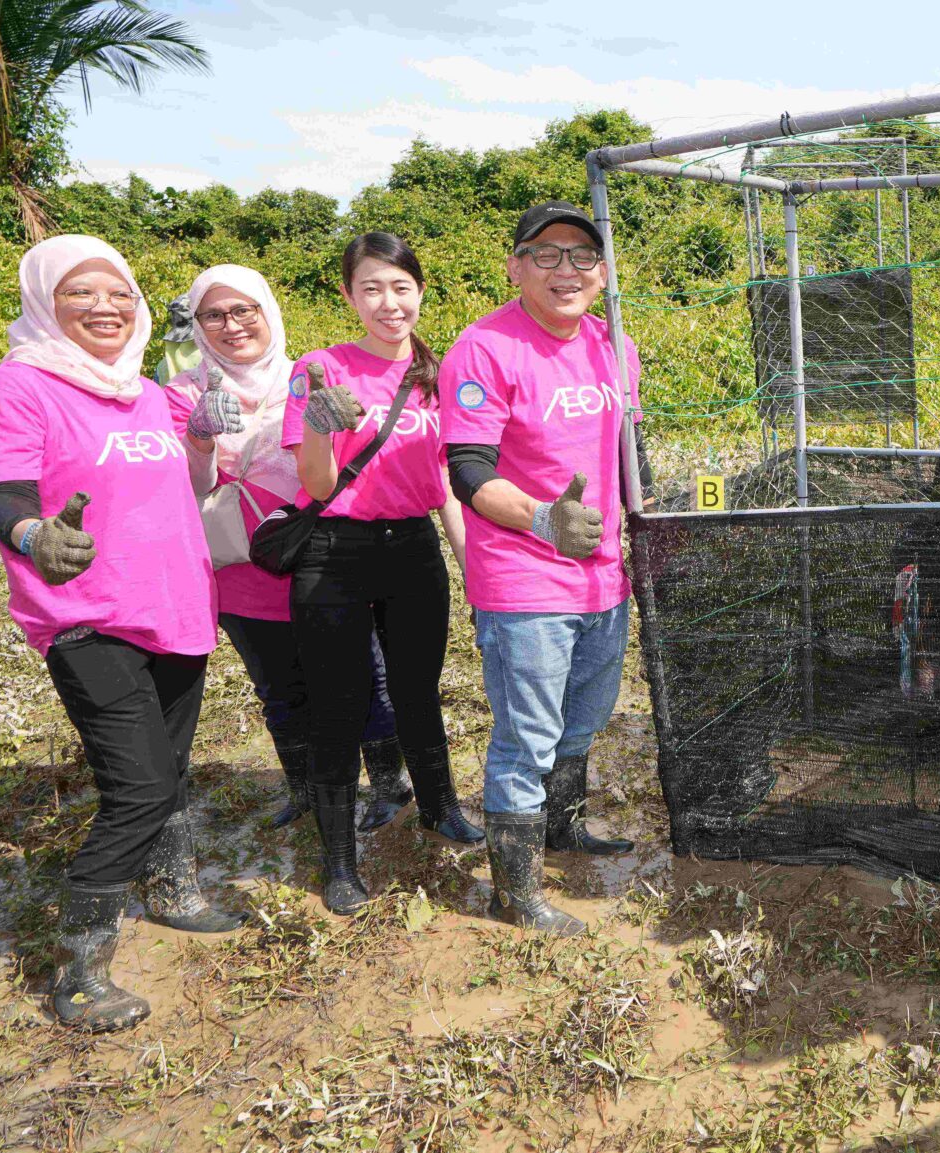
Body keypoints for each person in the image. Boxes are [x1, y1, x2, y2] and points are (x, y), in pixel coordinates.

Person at [0, 235, 239, 1033]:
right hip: (87, 618)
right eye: (81, 293)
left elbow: (194, 481)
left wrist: (203, 435)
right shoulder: (17, 390)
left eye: (117, 292)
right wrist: (29, 534)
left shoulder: (149, 393)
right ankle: (80, 965)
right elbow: (3, 489)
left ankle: (176, 890)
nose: (105, 307)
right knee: (139, 785)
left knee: (171, 763)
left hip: (177, 607)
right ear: (47, 302)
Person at [441, 202, 640, 937]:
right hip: (525, 579)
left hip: (604, 577)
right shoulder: (485, 348)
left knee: (582, 720)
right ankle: (516, 893)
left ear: (604, 271)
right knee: (526, 736)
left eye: (582, 256)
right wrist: (545, 519)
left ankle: (565, 830)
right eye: (546, 255)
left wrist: (647, 523)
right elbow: (468, 471)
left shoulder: (615, 344)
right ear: (515, 266)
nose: (567, 270)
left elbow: (629, 455)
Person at [161, 265, 414, 834]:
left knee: (364, 673)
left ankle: (390, 784)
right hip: (239, 560)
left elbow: (350, 460)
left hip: (322, 552)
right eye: (215, 315)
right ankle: (303, 788)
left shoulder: (309, 375)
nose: (232, 325)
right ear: (197, 325)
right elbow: (181, 486)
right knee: (277, 682)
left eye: (245, 309)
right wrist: (198, 436)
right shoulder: (181, 394)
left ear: (268, 310)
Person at [283, 232, 476, 916]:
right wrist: (317, 423)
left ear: (421, 291)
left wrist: (470, 567)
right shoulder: (320, 367)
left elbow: (449, 483)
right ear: (348, 295)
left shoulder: (438, 369)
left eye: (400, 286)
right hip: (334, 552)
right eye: (371, 287)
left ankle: (440, 807)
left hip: (414, 548)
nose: (388, 302)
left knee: (421, 689)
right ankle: (338, 862)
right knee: (337, 704)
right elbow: (316, 480)